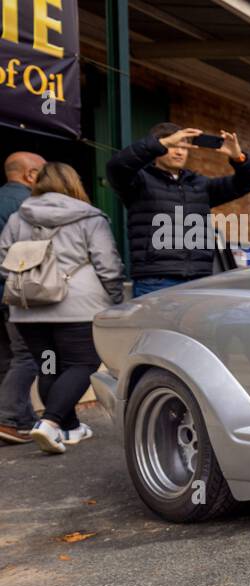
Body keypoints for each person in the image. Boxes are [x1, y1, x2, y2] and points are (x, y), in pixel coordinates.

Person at [0, 163, 124, 454]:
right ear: (74, 183)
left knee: (49, 365)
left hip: (29, 311)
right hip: (78, 308)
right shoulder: (91, 217)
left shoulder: (20, 217)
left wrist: (28, 286)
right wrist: (115, 297)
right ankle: (50, 423)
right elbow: (107, 264)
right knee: (83, 364)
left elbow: (3, 259)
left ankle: (68, 429)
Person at [106, 122, 250, 296]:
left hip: (199, 280)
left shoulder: (199, 184)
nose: (179, 152)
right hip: (156, 281)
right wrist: (160, 144)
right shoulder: (138, 182)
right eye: (173, 146)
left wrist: (239, 158)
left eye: (184, 148)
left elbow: (246, 182)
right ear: (159, 147)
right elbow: (116, 167)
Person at [0, 151, 44, 444]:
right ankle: (7, 420)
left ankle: (22, 421)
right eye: (43, 172)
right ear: (30, 175)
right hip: (14, 292)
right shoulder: (28, 206)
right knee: (28, 355)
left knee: (6, 357)